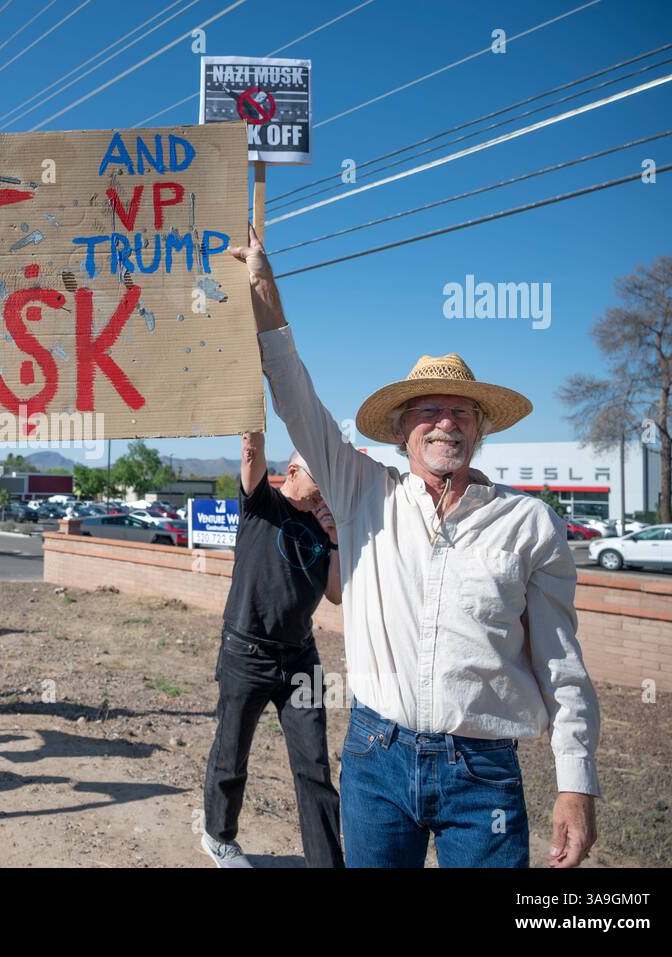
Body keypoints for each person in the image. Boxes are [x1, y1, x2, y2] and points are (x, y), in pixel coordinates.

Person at [232, 225, 600, 868]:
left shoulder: (530, 524)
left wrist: (576, 783)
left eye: (460, 412)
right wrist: (264, 287)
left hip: (482, 776)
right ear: (402, 431)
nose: (444, 422)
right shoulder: (364, 491)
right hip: (377, 758)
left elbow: (562, 662)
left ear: (480, 430)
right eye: (427, 411)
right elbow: (293, 392)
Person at [202, 439, 344, 868]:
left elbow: (335, 594)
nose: (321, 498)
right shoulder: (262, 503)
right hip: (247, 651)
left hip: (301, 657)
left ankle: (326, 861)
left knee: (315, 765)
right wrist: (250, 402)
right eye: (317, 487)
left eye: (327, 492)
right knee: (232, 754)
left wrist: (335, 537)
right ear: (293, 472)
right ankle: (219, 838)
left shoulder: (323, 525)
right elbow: (251, 453)